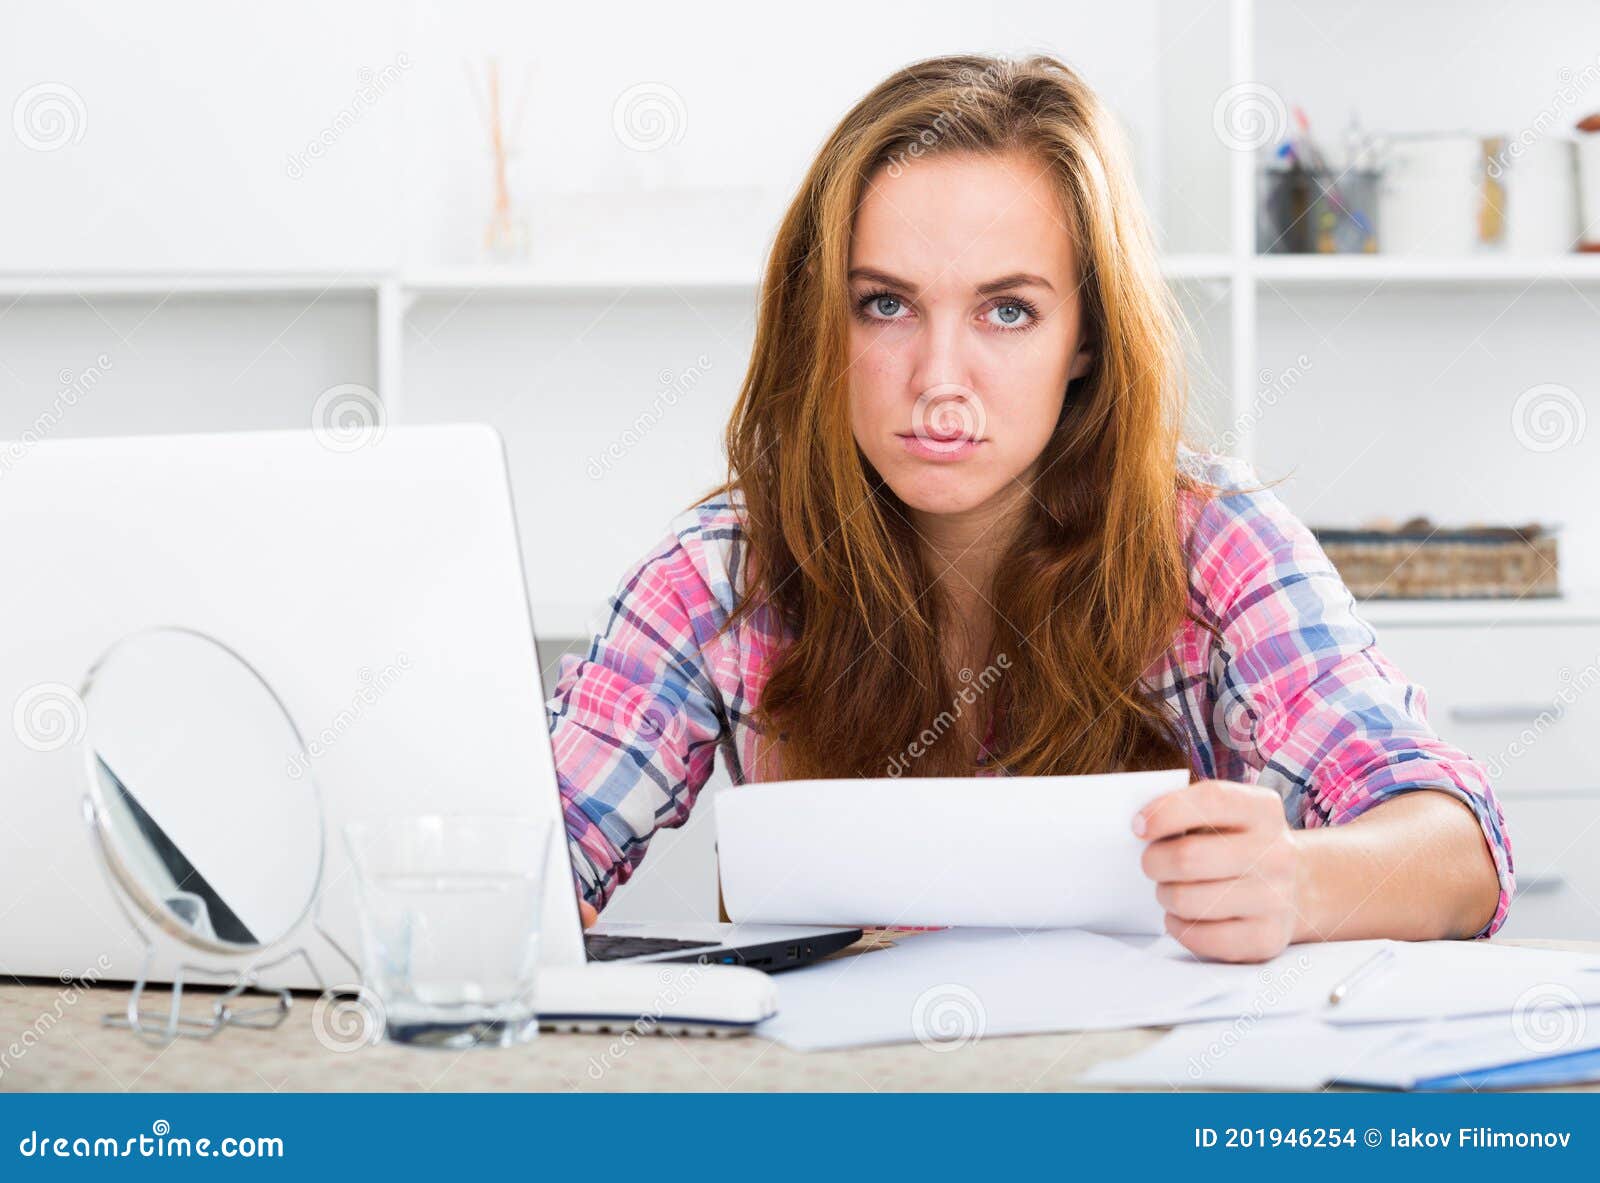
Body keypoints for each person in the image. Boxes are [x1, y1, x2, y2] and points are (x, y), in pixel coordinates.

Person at [545, 53, 1512, 963]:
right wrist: (516, 897)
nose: (939, 380)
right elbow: (531, 860)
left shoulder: (1212, 539)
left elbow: (1458, 852)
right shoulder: (723, 571)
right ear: (820, 320)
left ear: (1086, 336)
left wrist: (1300, 881)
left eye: (1007, 311)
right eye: (884, 304)